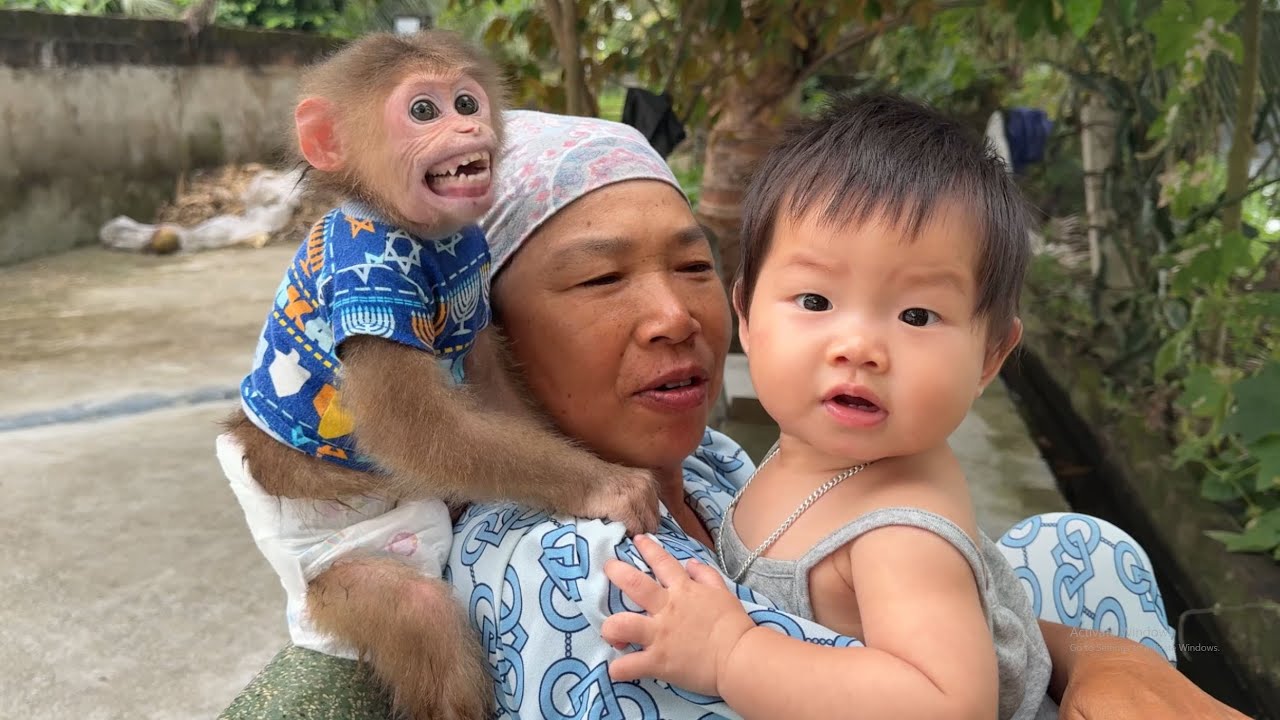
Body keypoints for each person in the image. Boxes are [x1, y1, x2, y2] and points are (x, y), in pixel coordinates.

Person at [218, 109, 1250, 720]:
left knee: (1078, 542)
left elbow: (930, 614)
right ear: (486, 341)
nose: (676, 315)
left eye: (691, 266)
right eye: (599, 280)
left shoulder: (711, 464)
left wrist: (1095, 658)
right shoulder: (582, 574)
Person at [598, 92, 1051, 719]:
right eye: (815, 302)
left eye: (917, 315)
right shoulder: (799, 453)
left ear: (990, 358)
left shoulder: (901, 532)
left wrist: (732, 653)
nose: (858, 348)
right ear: (747, 314)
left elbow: (948, 705)